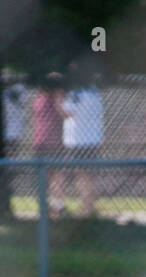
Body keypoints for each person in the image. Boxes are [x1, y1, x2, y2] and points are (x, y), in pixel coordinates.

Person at [63, 62, 105, 216]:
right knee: (92, 174)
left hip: (79, 140)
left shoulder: (75, 93)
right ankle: (91, 206)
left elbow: (67, 113)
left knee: (82, 175)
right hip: (94, 139)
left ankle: (87, 208)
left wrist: (57, 101)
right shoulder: (94, 92)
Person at [33, 73, 71, 215]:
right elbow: (64, 114)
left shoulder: (39, 98)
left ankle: (46, 205)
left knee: (47, 175)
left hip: (40, 140)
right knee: (58, 174)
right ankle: (58, 206)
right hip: (53, 141)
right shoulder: (56, 97)